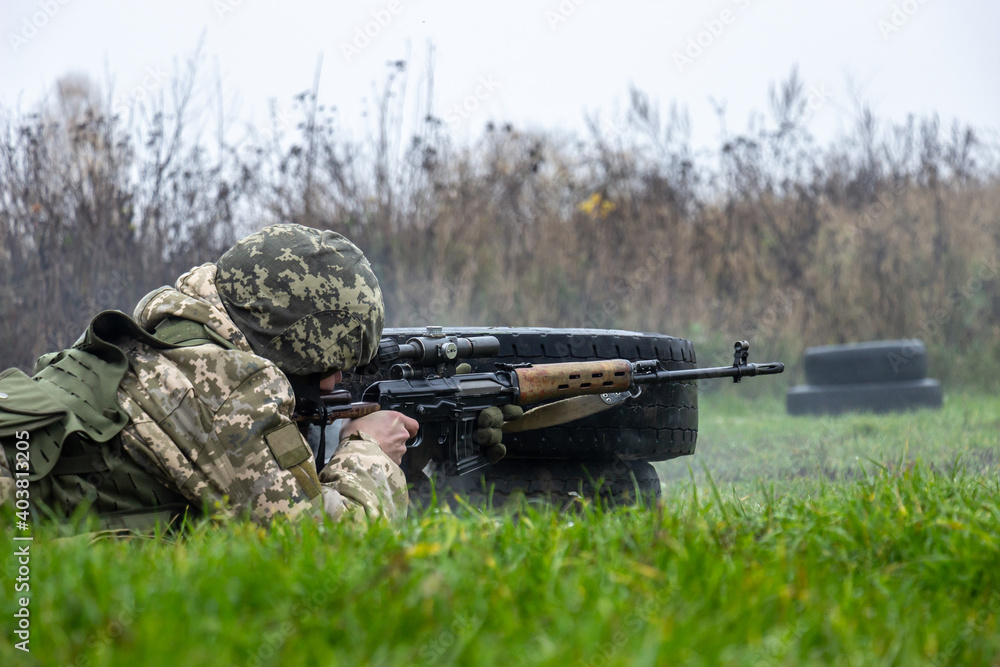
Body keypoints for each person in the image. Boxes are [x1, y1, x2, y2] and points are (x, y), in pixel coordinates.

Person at [0, 223, 421, 530]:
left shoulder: (161, 340)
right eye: (335, 365)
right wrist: (368, 450)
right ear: (298, 349)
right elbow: (330, 546)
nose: (338, 380)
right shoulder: (231, 388)